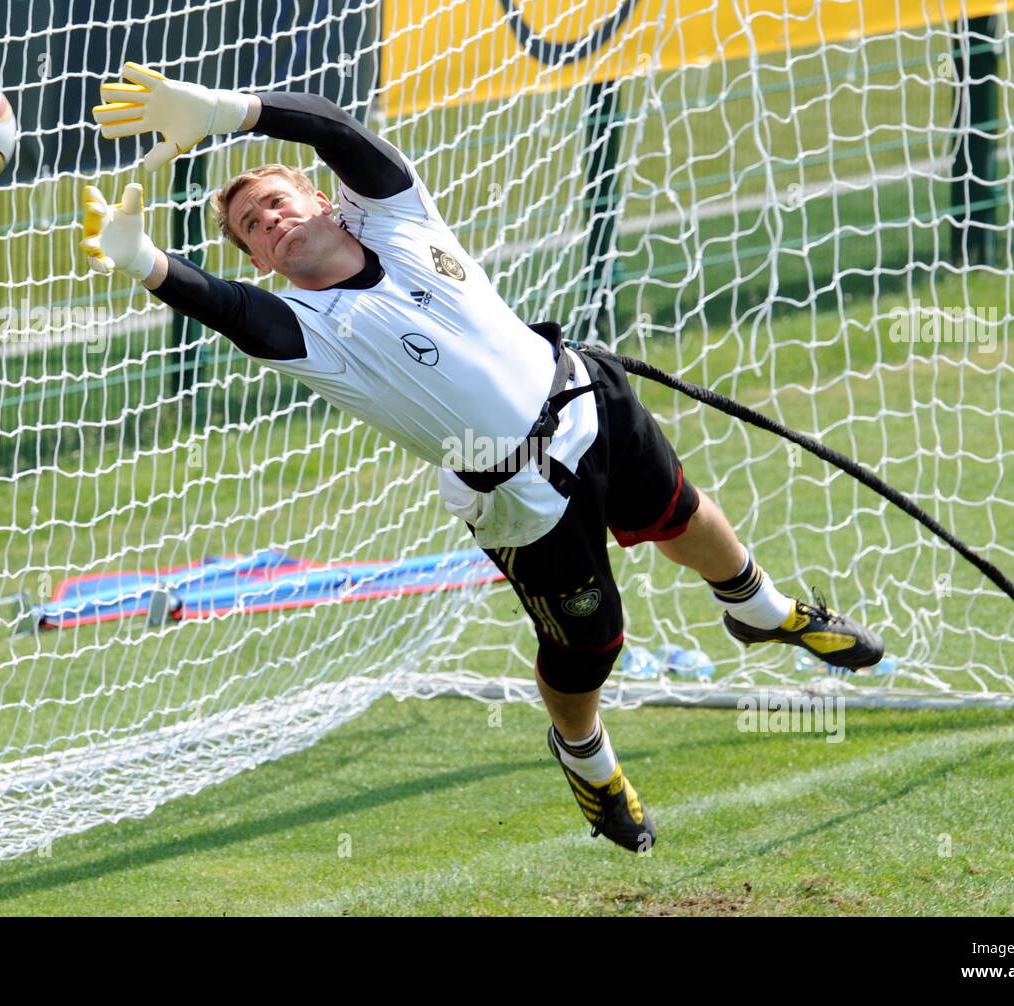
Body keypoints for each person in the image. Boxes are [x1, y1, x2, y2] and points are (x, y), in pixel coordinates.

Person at [83, 63, 884, 853]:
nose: (270, 222)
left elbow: (331, 126)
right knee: (592, 643)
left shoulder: (400, 219)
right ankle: (585, 757)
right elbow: (226, 311)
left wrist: (224, 111)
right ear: (258, 260)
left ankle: (760, 611)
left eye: (276, 202)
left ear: (321, 201)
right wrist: (144, 262)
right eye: (253, 227)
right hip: (518, 499)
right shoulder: (306, 331)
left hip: (584, 398)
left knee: (678, 511)